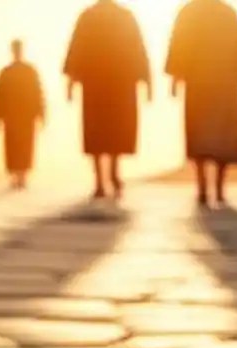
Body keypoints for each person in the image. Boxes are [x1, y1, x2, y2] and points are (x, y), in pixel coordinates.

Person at [166, 0, 237, 207]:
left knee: (220, 139)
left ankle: (215, 188)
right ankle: (205, 187)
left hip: (219, 83)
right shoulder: (191, 13)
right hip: (202, 83)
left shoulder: (225, 13)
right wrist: (176, 77)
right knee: (202, 138)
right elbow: (179, 46)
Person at [64, 0, 152, 200]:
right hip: (101, 83)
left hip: (113, 83)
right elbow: (77, 48)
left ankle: (110, 176)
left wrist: (146, 79)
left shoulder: (109, 16)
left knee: (111, 132)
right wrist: (71, 81)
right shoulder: (94, 16)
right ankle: (103, 180)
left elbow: (137, 48)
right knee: (101, 133)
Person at [0, 40, 46, 190]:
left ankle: (21, 176)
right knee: (15, 145)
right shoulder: (16, 71)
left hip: (22, 115)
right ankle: (18, 175)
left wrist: (41, 112)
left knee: (22, 145)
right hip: (16, 115)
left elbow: (37, 92)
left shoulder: (16, 71)